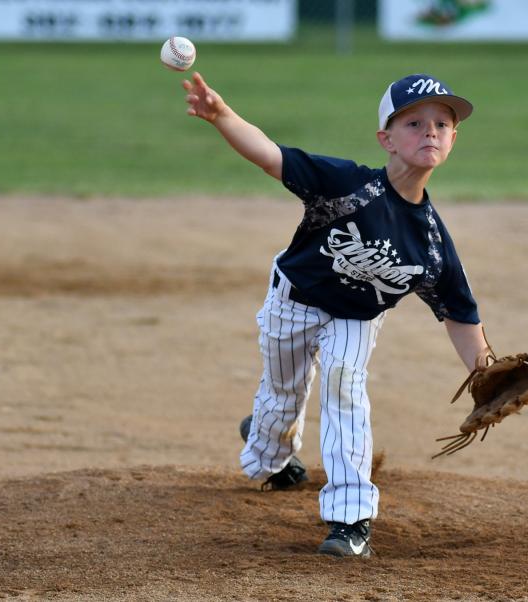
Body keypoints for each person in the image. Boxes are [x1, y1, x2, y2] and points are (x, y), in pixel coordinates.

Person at [182, 72, 489, 558]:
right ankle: (270, 451)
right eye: (413, 123)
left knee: (345, 386)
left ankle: (351, 518)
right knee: (282, 398)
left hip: (357, 319)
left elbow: (459, 313)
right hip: (294, 300)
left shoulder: (431, 243)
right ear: (385, 139)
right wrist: (221, 115)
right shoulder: (347, 184)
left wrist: (485, 374)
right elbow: (270, 156)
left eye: (441, 124)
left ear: (453, 138)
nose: (429, 131)